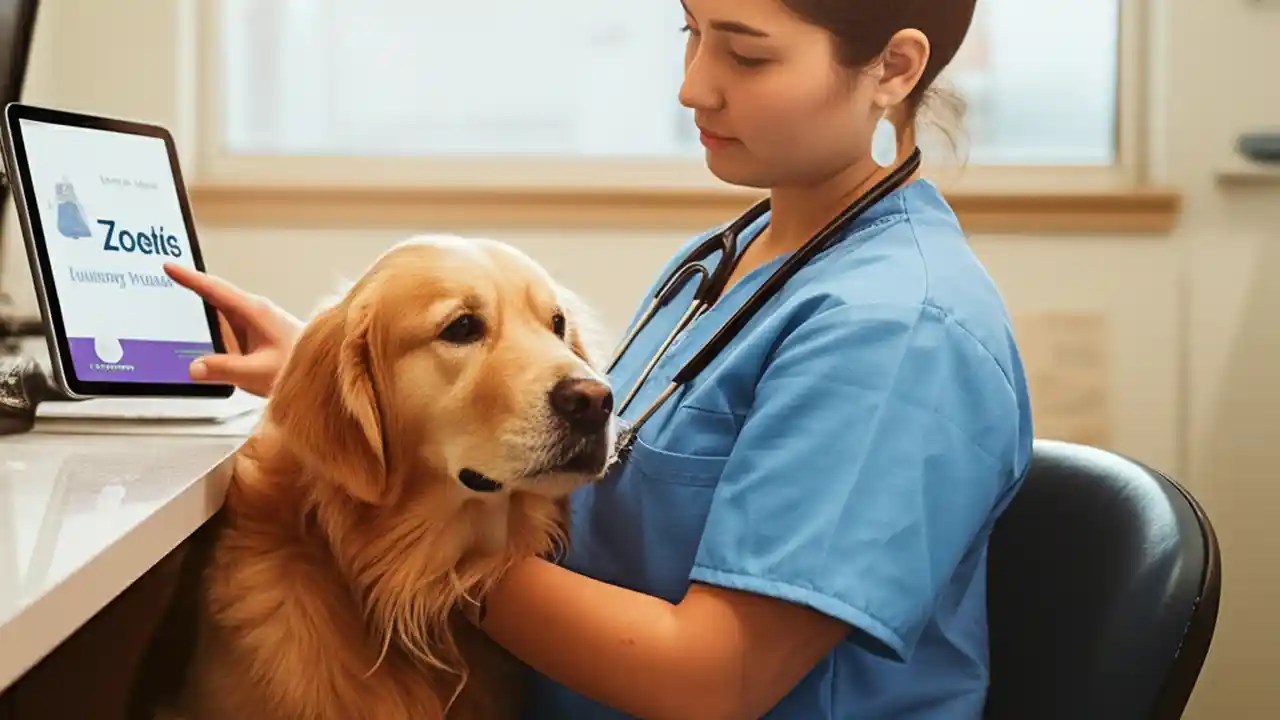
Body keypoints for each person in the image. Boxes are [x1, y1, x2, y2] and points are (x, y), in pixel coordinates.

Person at [167, 0, 1034, 717]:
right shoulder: (725, 258)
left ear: (893, 68)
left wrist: (406, 544)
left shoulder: (896, 332)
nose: (695, 87)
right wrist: (347, 392)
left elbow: (714, 680)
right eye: (691, 35)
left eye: (746, 55)